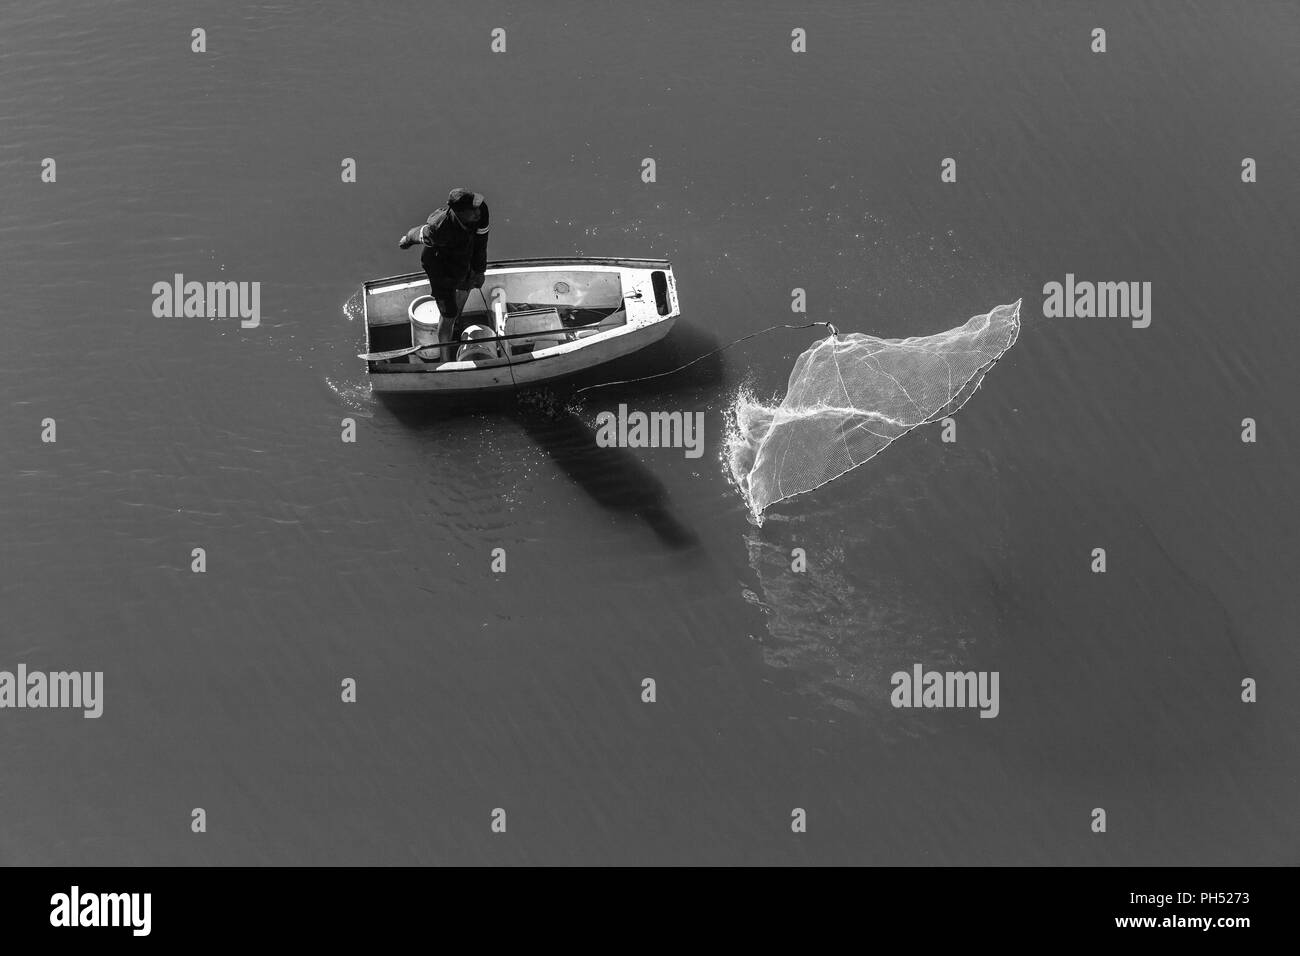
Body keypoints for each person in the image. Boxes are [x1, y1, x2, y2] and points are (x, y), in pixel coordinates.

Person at [398, 187, 490, 359]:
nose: (478, 213)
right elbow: (418, 233)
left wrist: (479, 271)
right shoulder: (439, 228)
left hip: (465, 255)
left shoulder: (481, 210)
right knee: (448, 313)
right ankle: (446, 359)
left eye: (477, 207)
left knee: (467, 285)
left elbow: (482, 242)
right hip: (440, 266)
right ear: (459, 213)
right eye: (472, 211)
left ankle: (456, 320)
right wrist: (406, 240)